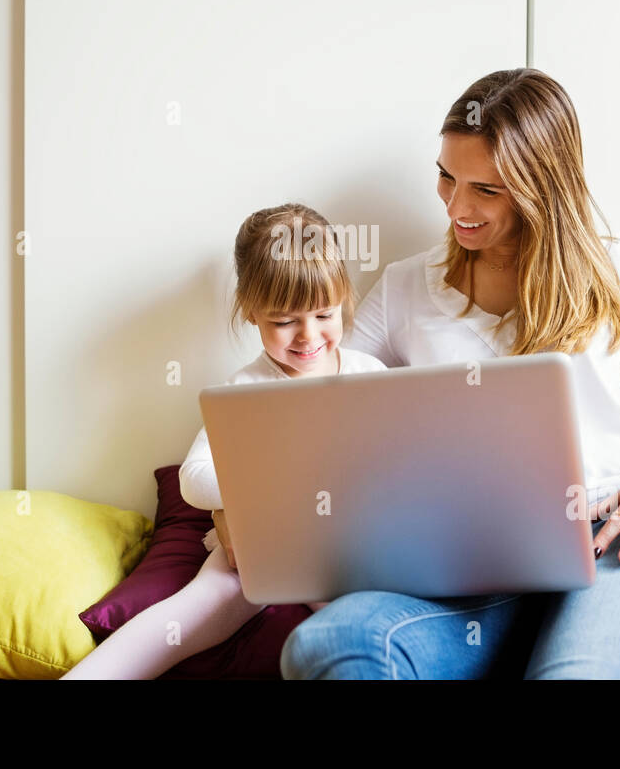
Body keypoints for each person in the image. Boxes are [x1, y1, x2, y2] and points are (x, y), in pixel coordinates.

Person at [278, 68, 620, 679]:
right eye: (446, 176)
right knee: (330, 646)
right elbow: (325, 422)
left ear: (542, 188)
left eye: (487, 191)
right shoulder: (405, 289)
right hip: (471, 568)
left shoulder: (615, 275)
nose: (457, 207)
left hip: (618, 537)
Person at [62, 203, 386, 679]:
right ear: (251, 313)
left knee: (360, 614)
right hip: (253, 551)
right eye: (284, 321)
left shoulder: (369, 376)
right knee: (192, 610)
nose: (308, 335)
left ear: (344, 300)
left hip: (343, 546)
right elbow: (194, 480)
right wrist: (274, 491)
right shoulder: (245, 390)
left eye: (324, 313)